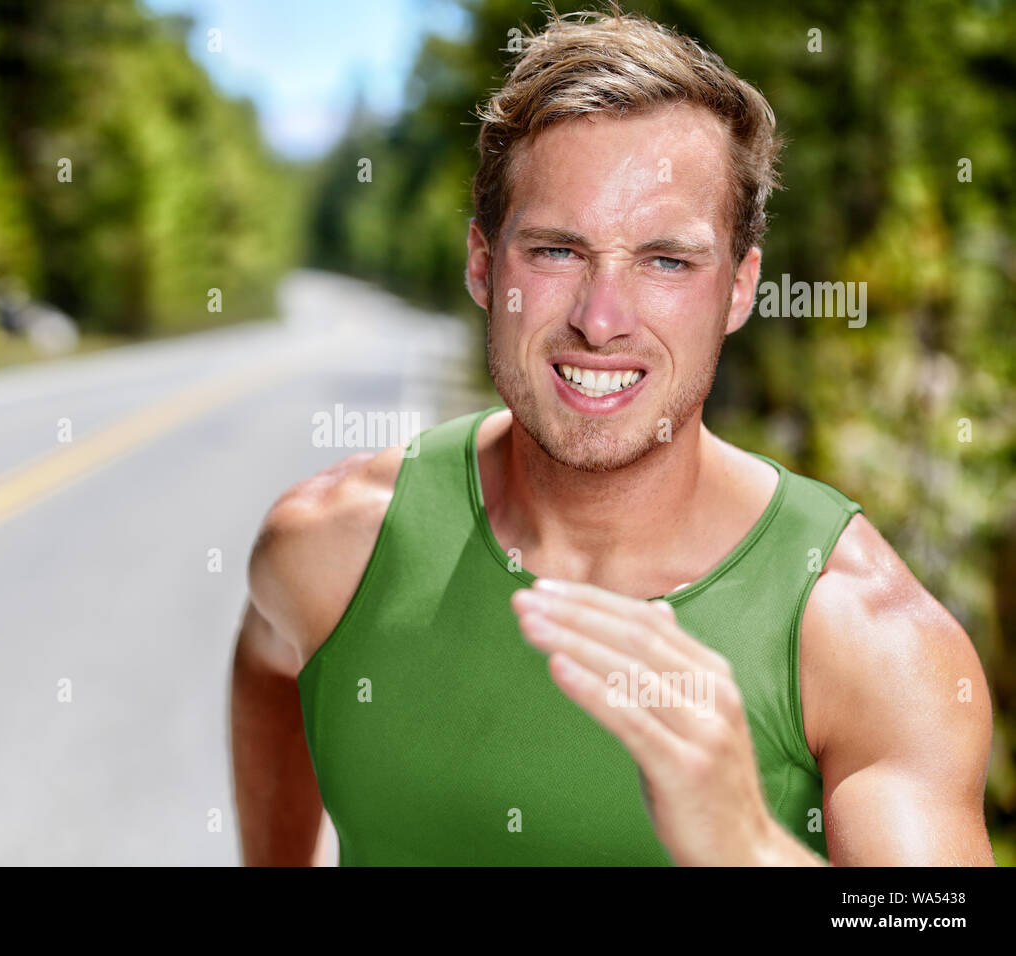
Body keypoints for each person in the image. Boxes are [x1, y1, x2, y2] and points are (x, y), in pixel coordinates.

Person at [229, 7, 994, 866]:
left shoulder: (869, 638)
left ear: (740, 289)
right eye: (556, 251)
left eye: (667, 260)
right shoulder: (333, 545)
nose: (600, 320)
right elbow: (266, 656)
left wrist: (746, 847)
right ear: (484, 265)